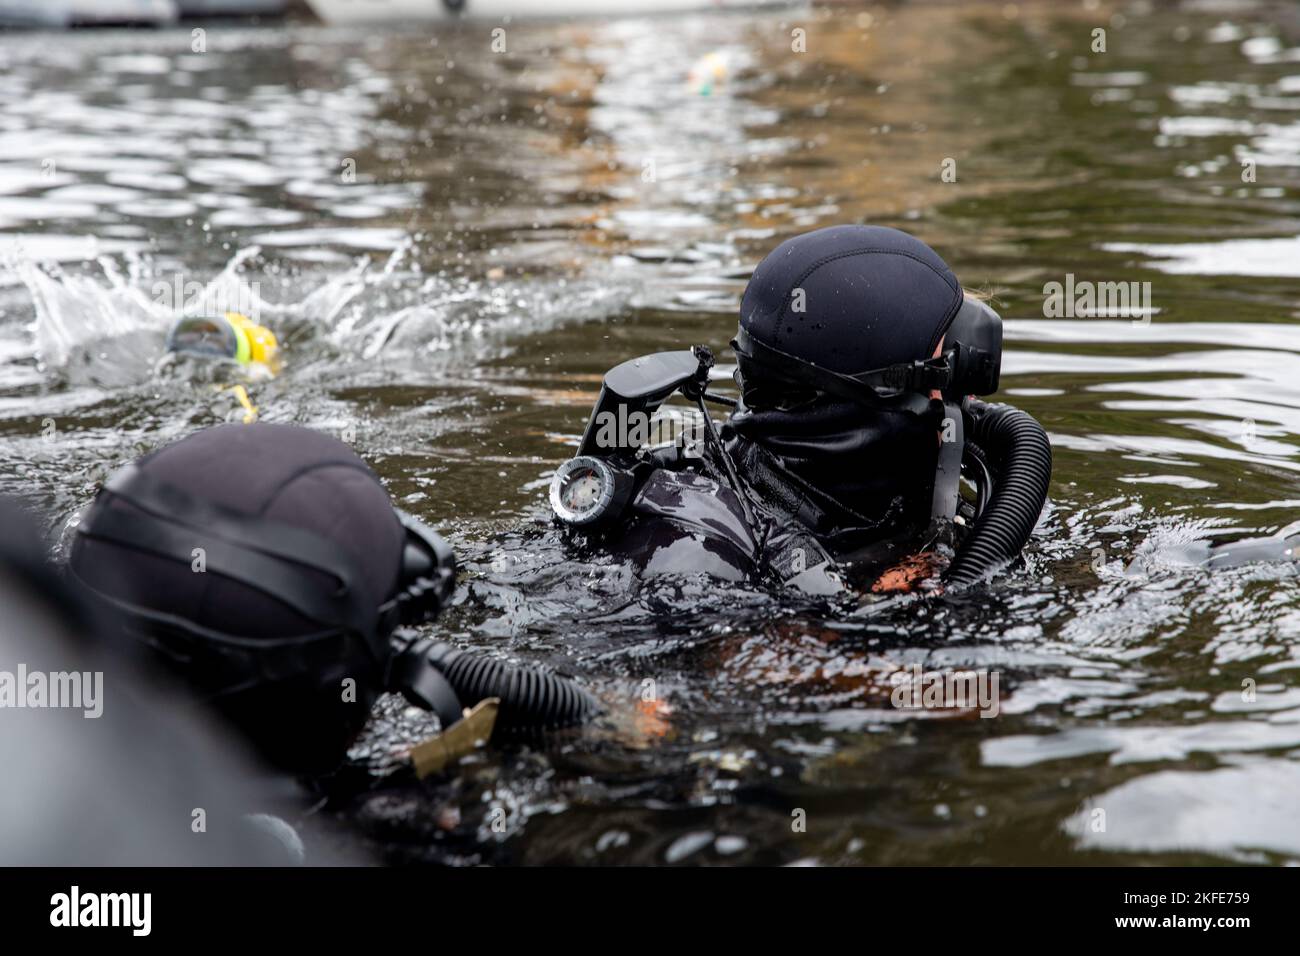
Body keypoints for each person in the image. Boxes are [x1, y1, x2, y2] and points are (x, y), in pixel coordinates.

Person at [548, 225, 1054, 593]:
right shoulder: (689, 548)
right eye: (955, 369)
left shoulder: (881, 501)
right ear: (878, 399)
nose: (967, 401)